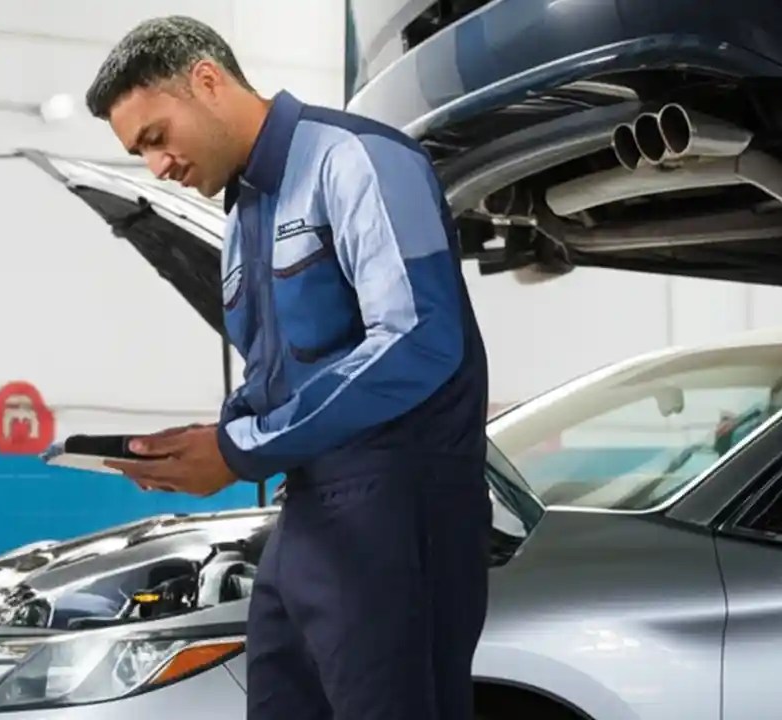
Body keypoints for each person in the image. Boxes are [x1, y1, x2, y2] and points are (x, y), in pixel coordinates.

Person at [85, 15, 493, 720]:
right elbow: (277, 375)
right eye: (139, 152)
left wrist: (241, 448)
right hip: (305, 515)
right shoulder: (244, 213)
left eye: (155, 137)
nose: (157, 166)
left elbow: (420, 338)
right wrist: (204, 442)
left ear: (206, 80)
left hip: (397, 512)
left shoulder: (355, 157)